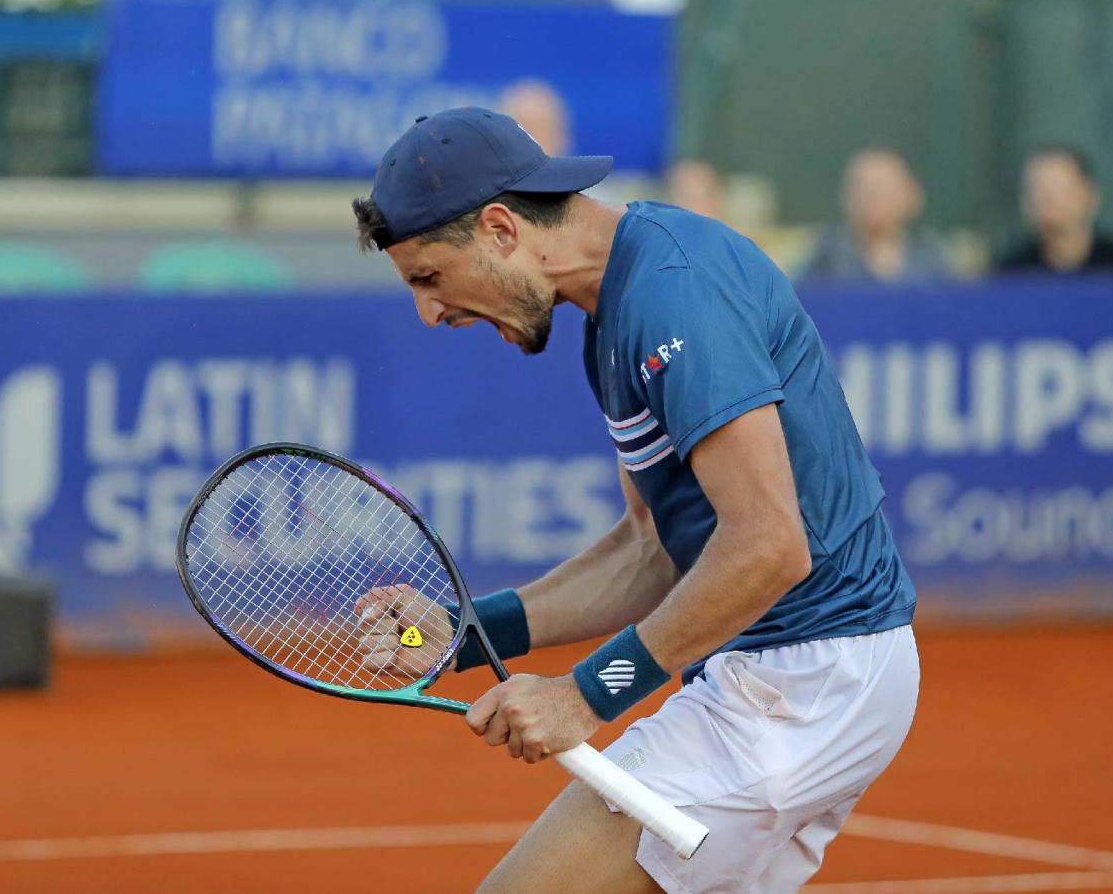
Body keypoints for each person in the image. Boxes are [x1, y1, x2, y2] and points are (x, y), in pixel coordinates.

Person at [352, 107, 919, 893]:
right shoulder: (616, 307)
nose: (431, 311)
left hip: (804, 680)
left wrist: (586, 695)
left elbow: (769, 544)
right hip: (792, 673)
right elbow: (652, 552)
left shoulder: (671, 299)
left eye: (429, 276)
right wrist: (462, 632)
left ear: (500, 229)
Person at [803, 148, 948, 283]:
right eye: (863, 188)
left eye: (885, 189)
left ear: (912, 196)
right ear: (844, 196)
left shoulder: (930, 259)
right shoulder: (824, 259)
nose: (873, 198)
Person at [998, 145, 1113, 274]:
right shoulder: (1009, 274)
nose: (1048, 199)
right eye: (1037, 190)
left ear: (1090, 195)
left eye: (1059, 188)